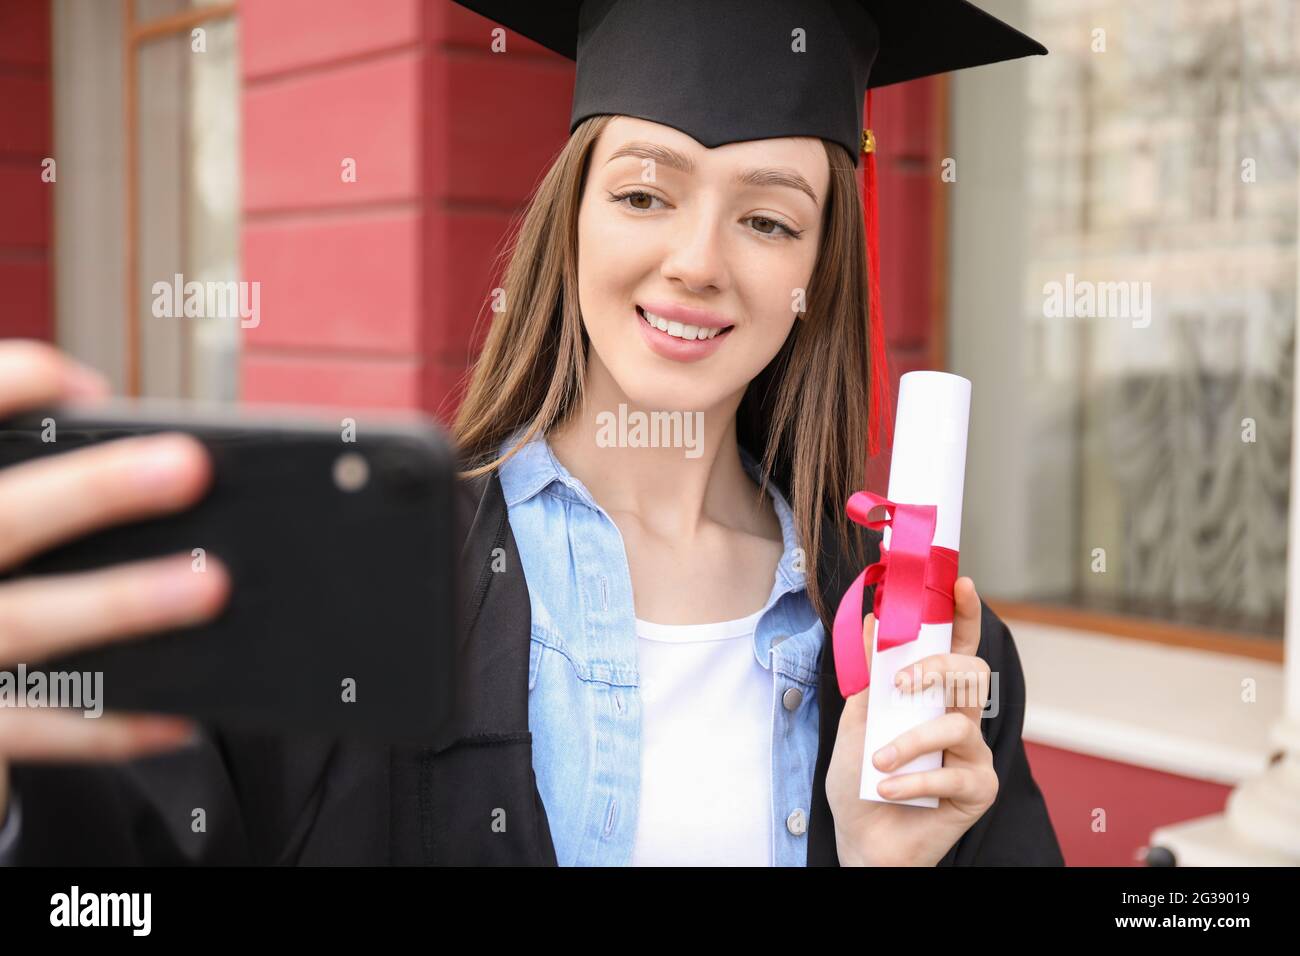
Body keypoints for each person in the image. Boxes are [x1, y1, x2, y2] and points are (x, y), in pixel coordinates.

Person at [0, 0, 1062, 865]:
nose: (698, 259)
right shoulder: (347, 585)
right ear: (572, 221)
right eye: (644, 192)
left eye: (768, 218)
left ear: (814, 276)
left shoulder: (913, 654)